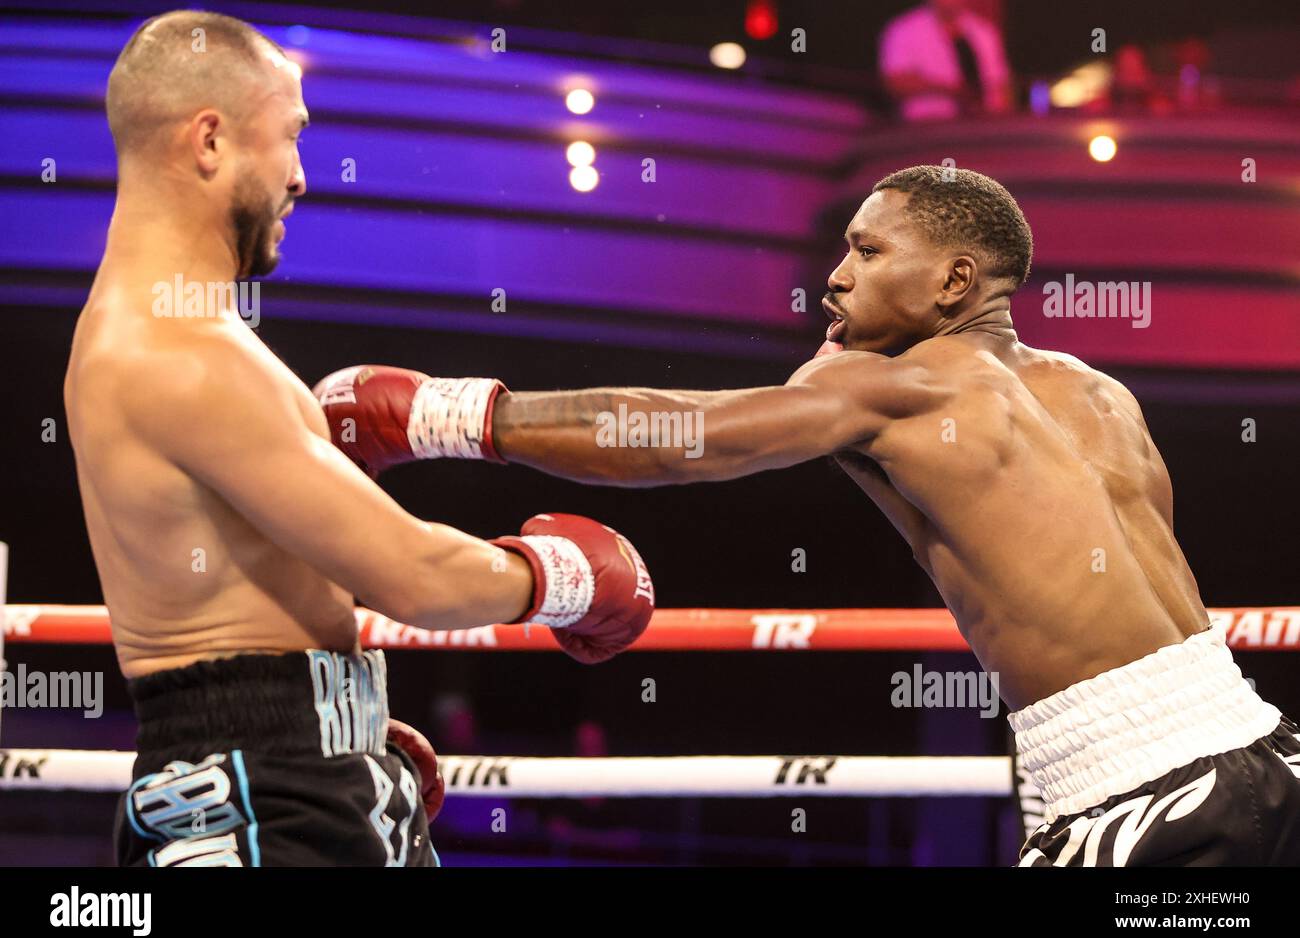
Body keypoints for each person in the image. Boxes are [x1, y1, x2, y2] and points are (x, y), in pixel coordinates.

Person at [315, 165, 1300, 866]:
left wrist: (448, 412)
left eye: (868, 251)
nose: (834, 275)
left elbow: (686, 434)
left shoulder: (908, 390)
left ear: (954, 282)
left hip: (1146, 796)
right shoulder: (1101, 396)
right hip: (1261, 753)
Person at [66, 10, 653, 867]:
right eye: (291, 137)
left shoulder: (169, 335)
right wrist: (559, 578)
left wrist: (342, 721)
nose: (302, 176)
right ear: (209, 141)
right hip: (253, 804)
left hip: (282, 771)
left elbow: (253, 610)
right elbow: (413, 577)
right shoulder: (174, 353)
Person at [879, 0, 1012, 122]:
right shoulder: (904, 31)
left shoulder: (984, 32)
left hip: (983, 127)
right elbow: (895, 83)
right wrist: (951, 91)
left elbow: (1000, 84)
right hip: (927, 126)